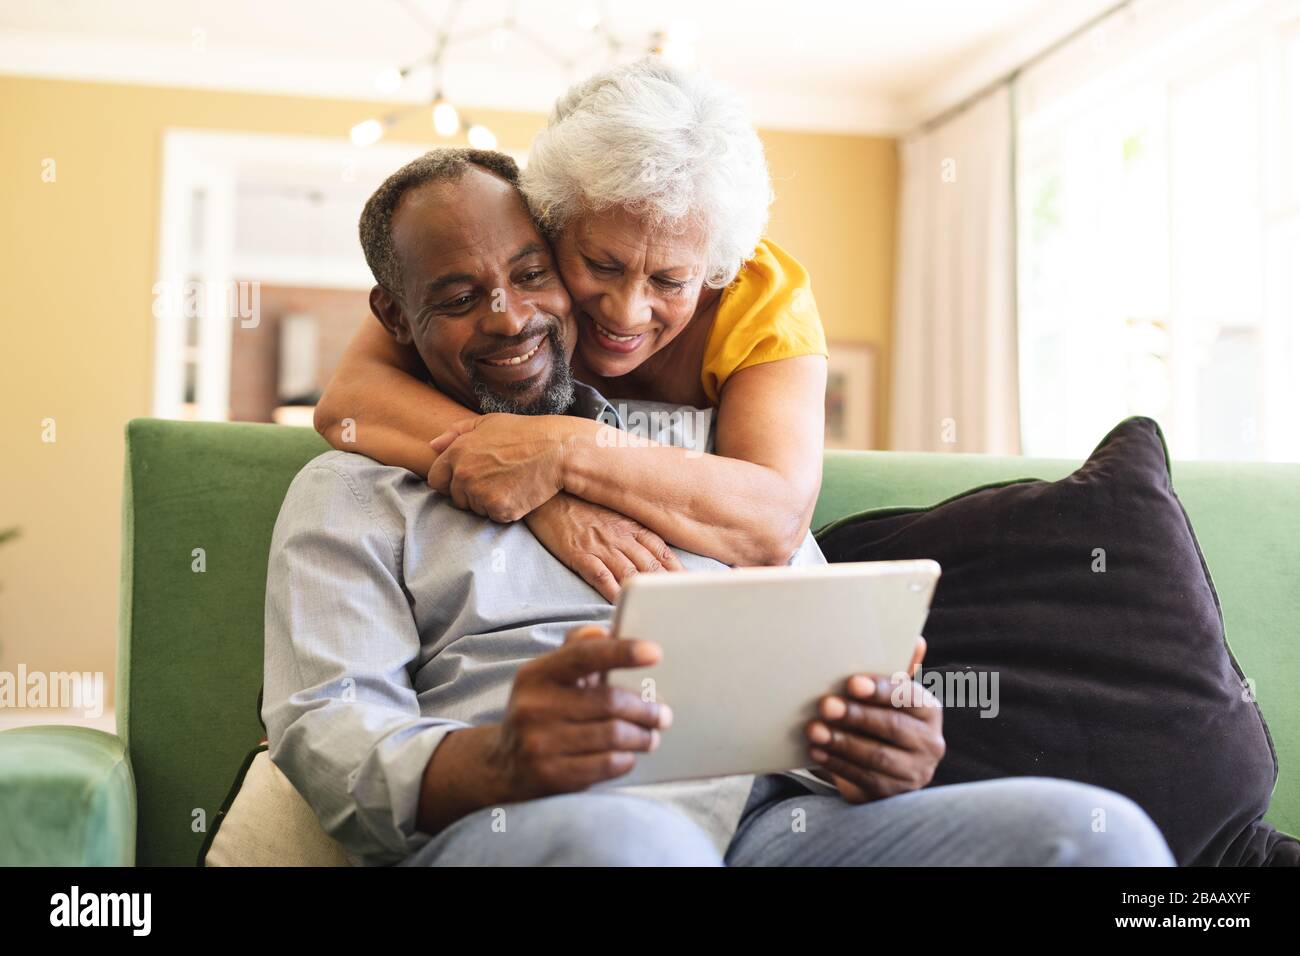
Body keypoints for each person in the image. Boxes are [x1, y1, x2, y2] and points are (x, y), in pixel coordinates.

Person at [261, 147, 1176, 866]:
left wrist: (888, 747)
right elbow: (331, 726)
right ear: (392, 317)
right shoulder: (352, 492)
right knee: (632, 847)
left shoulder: (702, 452)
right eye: (458, 297)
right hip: (539, 825)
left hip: (783, 828)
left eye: (533, 274)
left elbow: (817, 644)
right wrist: (500, 762)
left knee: (1097, 834)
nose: (508, 316)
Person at [313, 57, 828, 601]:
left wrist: (564, 453)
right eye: (602, 265)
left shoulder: (761, 296)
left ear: (715, 266)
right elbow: (348, 405)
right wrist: (545, 499)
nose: (627, 313)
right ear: (551, 220)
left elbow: (775, 520)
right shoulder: (509, 265)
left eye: (671, 280)